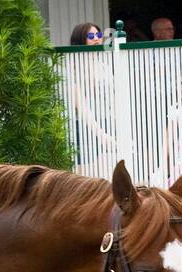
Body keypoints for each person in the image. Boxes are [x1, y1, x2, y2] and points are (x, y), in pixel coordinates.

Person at [67, 23, 118, 177]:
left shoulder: (105, 66)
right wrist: (101, 135)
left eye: (98, 35)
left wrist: (116, 128)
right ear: (81, 40)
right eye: (90, 36)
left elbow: (113, 100)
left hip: (107, 123)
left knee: (108, 176)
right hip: (84, 128)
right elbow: (81, 107)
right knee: (85, 178)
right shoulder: (72, 68)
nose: (96, 39)